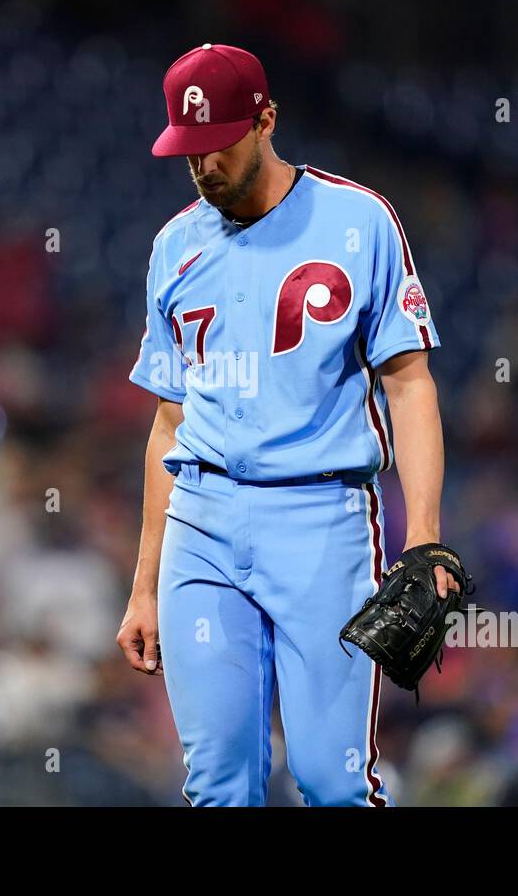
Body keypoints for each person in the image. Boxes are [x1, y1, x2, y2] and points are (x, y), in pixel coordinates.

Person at [116, 44, 456, 806]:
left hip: (320, 517)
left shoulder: (357, 220)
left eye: (220, 142)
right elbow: (169, 423)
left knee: (332, 784)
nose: (203, 163)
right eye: (189, 149)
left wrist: (424, 536)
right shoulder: (174, 246)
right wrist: (143, 587)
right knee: (218, 785)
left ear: (266, 119)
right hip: (199, 520)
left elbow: (408, 385)